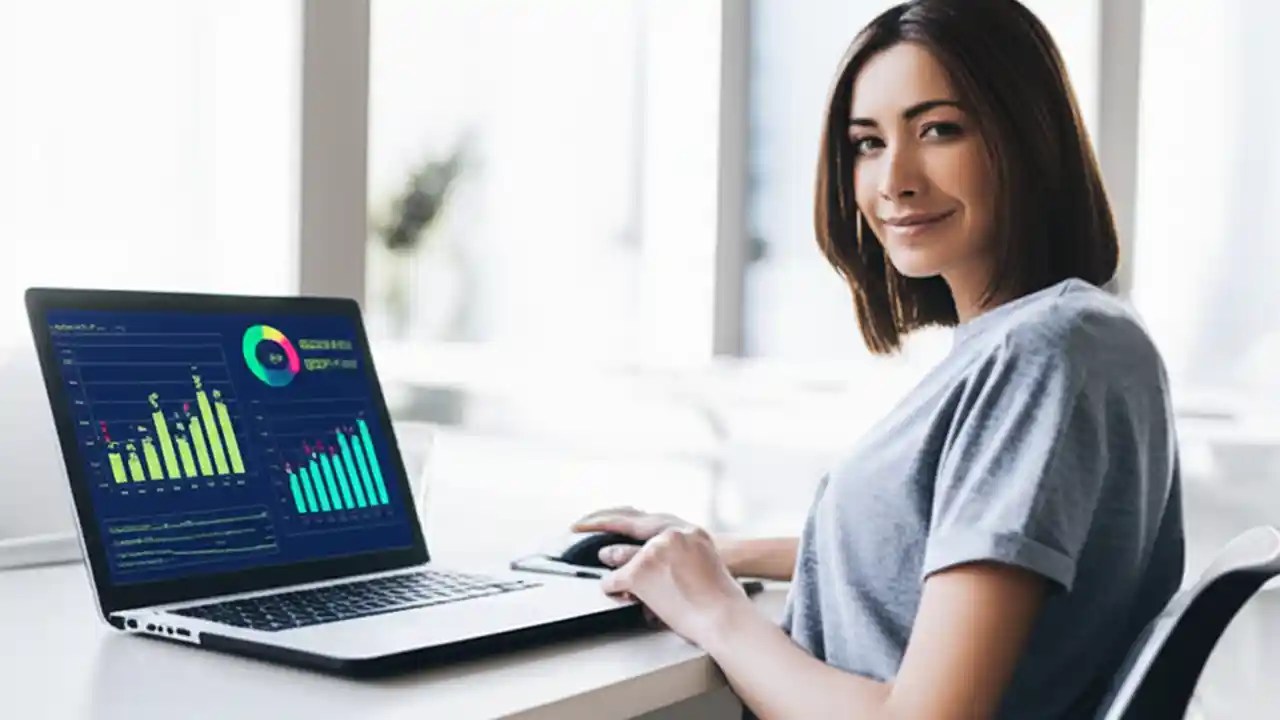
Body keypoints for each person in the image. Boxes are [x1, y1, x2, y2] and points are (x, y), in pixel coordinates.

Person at [570, 0, 1185, 717]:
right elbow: (951, 554)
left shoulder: (1045, 351)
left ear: (1028, 135)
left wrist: (713, 611)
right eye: (866, 142)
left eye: (939, 130)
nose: (895, 177)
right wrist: (722, 554)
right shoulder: (1081, 334)